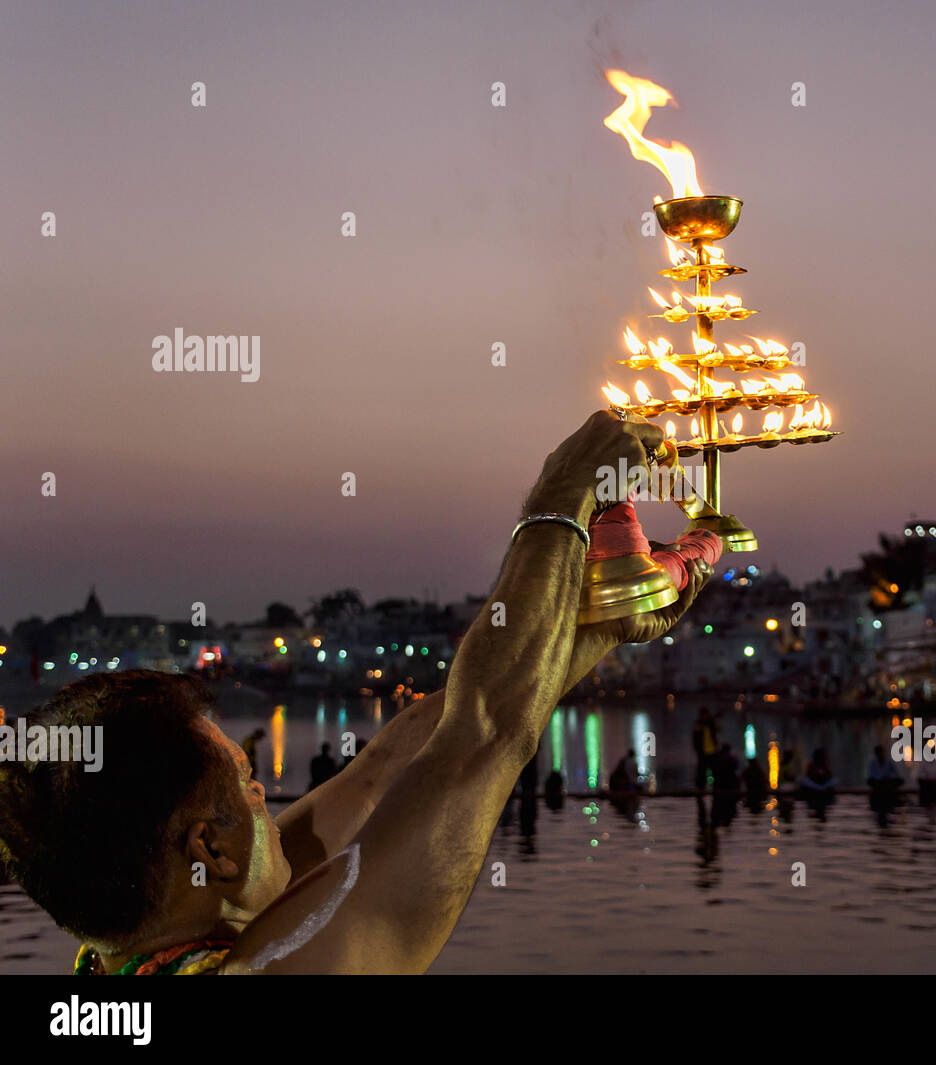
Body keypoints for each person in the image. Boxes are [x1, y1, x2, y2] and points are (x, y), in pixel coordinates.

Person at [0, 411, 712, 974]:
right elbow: (482, 736)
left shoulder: (123, 952)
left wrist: (591, 633)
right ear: (210, 852)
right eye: (248, 783)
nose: (265, 802)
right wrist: (562, 496)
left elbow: (391, 767)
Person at [691, 708, 717, 789]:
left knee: (712, 770)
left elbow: (718, 731)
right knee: (702, 771)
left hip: (711, 750)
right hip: (703, 751)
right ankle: (701, 787)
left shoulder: (710, 724)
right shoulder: (698, 725)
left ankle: (711, 785)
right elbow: (695, 737)